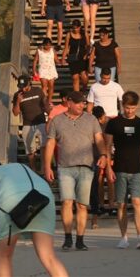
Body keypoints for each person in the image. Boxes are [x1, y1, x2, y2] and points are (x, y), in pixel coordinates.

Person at [0, 156, 68, 277]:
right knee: (49, 257)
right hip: (43, 200)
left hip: (11, 206)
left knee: (4, 257)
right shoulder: (18, 166)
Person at [43, 91, 109, 252]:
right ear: (69, 102)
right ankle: (67, 238)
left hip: (86, 166)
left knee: (82, 205)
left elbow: (99, 139)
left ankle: (80, 239)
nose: (82, 105)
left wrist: (103, 155)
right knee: (67, 202)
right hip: (65, 167)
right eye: (78, 102)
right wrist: (46, 166)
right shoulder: (57, 121)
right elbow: (50, 144)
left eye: (83, 103)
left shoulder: (91, 119)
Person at [104, 91, 140, 250]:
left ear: (137, 106)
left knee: (137, 201)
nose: (129, 111)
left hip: (137, 168)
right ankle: (123, 237)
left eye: (132, 108)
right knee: (121, 204)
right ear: (122, 106)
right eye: (127, 108)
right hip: (119, 168)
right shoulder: (113, 123)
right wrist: (108, 168)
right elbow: (108, 146)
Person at [13, 75, 49, 172]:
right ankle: (33, 169)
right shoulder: (17, 95)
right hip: (27, 124)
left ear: (29, 83)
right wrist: (17, 101)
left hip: (41, 122)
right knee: (29, 148)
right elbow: (15, 113)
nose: (22, 88)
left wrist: (50, 115)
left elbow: (45, 104)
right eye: (21, 86)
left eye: (24, 85)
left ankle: (43, 167)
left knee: (44, 145)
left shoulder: (37, 90)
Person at [61, 20, 91, 93]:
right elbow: (66, 47)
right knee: (75, 77)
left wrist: (87, 55)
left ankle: (84, 90)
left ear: (80, 27)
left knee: (84, 77)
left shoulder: (85, 34)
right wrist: (63, 58)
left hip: (83, 58)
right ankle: (77, 95)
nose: (75, 30)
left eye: (77, 28)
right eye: (74, 28)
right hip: (73, 58)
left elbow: (88, 46)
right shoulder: (69, 35)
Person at [33, 38, 59, 103]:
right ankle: (44, 101)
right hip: (43, 70)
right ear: (43, 44)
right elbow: (35, 61)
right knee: (44, 86)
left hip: (51, 69)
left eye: (49, 45)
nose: (48, 46)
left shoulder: (52, 50)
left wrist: (60, 62)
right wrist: (34, 71)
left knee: (51, 86)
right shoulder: (39, 50)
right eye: (46, 45)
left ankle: (49, 101)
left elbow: (56, 59)